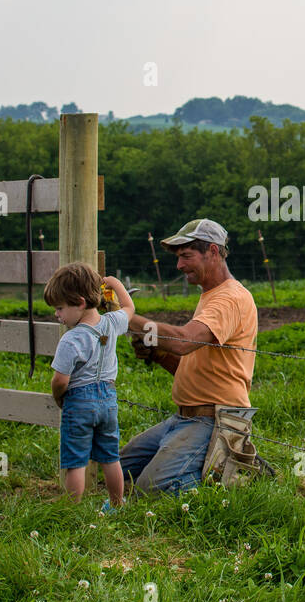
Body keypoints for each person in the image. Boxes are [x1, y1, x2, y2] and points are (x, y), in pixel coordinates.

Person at [121, 218, 258, 493]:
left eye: (186, 256)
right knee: (118, 468)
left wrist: (125, 317)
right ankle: (217, 463)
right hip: (185, 418)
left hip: (215, 419)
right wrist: (157, 354)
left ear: (213, 252)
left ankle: (232, 473)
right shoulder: (211, 295)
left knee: (151, 488)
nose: (179, 266)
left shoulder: (229, 299)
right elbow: (190, 364)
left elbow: (184, 341)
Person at [44, 263, 135, 511]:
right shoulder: (112, 324)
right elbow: (129, 307)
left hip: (79, 401)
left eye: (60, 308)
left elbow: (60, 380)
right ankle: (117, 504)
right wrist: (115, 283)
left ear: (80, 303)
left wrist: (59, 397)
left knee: (75, 461)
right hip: (108, 399)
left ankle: (71, 508)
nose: (57, 315)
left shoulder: (71, 339)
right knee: (110, 457)